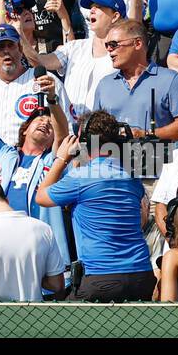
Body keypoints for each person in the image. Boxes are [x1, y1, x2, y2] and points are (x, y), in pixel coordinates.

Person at [38, 109, 155, 301]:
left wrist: (61, 159)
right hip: (141, 274)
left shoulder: (80, 178)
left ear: (83, 141)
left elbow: (41, 197)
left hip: (101, 277)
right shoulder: (132, 176)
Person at [0, 178, 66, 302]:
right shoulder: (44, 230)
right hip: (32, 314)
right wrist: (31, 275)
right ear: (6, 200)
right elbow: (57, 284)